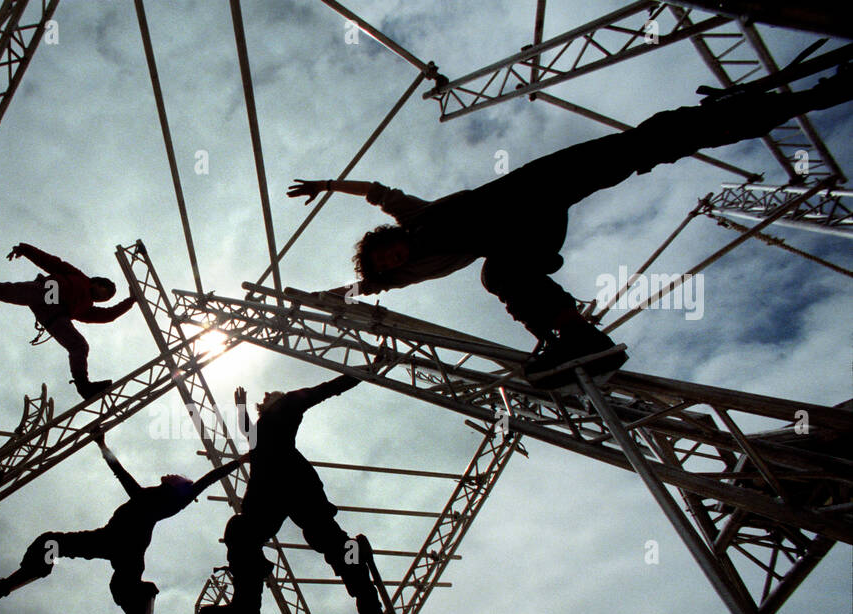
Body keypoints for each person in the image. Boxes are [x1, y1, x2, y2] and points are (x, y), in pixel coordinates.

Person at [288, 66, 853, 385]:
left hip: (535, 189)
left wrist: (324, 185)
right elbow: (363, 289)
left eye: (390, 252)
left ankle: (796, 98)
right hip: (527, 233)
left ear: (393, 240)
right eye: (393, 266)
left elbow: (373, 191)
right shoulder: (423, 267)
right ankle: (576, 339)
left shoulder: (416, 218)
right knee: (499, 274)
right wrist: (324, 299)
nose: (397, 259)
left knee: (643, 146)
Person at [0, 432, 247, 614]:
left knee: (123, 586)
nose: (170, 472)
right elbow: (123, 476)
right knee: (51, 543)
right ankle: (5, 586)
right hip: (109, 538)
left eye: (176, 475)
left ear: (177, 484)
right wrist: (102, 446)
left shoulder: (171, 501)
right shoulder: (149, 495)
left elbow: (208, 479)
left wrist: (240, 461)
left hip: (127, 547)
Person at [198, 377, 410, 614]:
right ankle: (363, 590)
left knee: (248, 534)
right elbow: (249, 434)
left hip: (283, 485)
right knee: (260, 535)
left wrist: (360, 374)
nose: (264, 393)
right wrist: (241, 409)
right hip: (284, 487)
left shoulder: (285, 407)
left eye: (270, 393)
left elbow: (322, 390)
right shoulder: (266, 429)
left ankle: (247, 613)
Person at [0, 242, 135, 399]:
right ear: (98, 283)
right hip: (47, 293)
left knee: (79, 345)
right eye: (105, 293)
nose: (103, 298)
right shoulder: (79, 278)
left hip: (55, 315)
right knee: (5, 290)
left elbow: (108, 315)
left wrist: (131, 301)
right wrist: (25, 250)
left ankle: (83, 385)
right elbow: (53, 262)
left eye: (106, 298)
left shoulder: (87, 309)